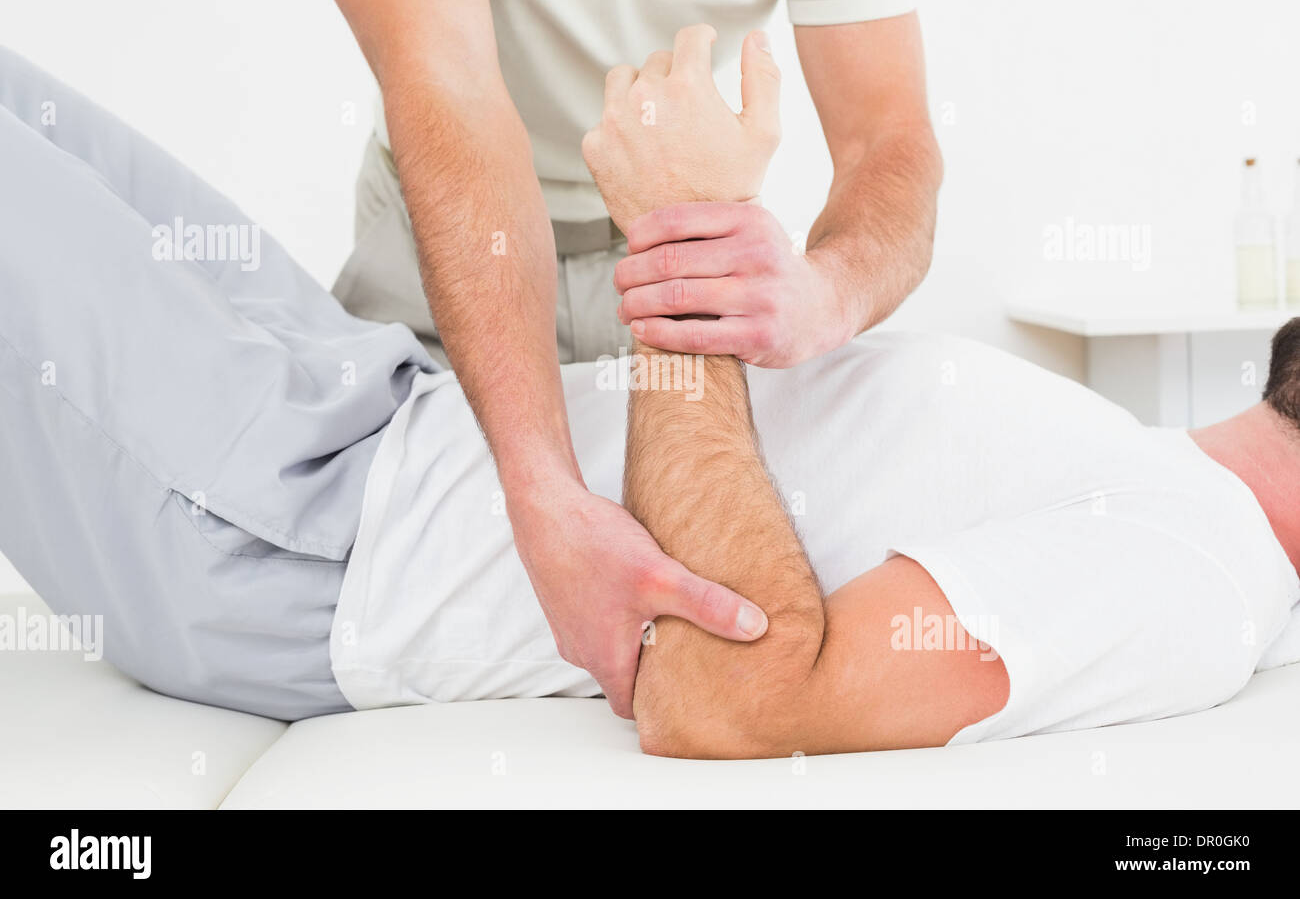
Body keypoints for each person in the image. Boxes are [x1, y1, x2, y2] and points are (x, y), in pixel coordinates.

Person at [0, 47, 1296, 758]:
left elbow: (739, 703)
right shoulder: (1156, 475)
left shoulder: (1198, 576)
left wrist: (681, 239)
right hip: (371, 411)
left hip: (302, 536)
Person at [311, 0, 944, 717]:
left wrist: (827, 292)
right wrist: (539, 488)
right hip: (449, 228)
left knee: (700, 595)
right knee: (387, 568)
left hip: (661, 227)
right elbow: (451, 88)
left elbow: (887, 136)